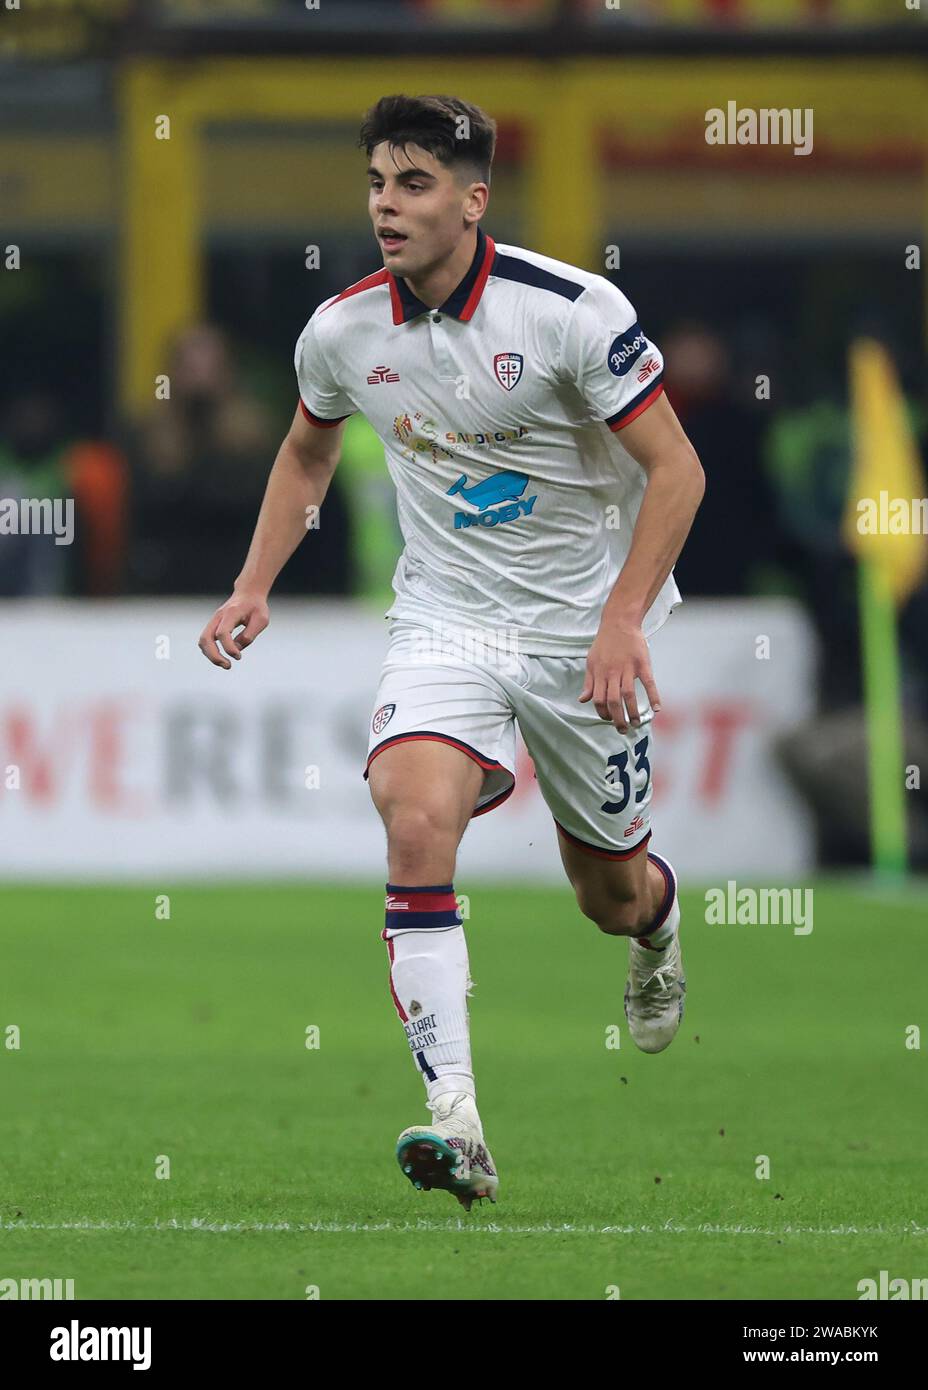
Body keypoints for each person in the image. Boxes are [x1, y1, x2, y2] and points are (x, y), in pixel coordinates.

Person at [197, 94, 705, 1210]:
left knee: (608, 892)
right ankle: (457, 1124)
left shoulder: (573, 311)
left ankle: (659, 934)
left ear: (474, 201)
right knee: (413, 814)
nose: (387, 203)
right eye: (378, 181)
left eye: (414, 183)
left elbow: (678, 470)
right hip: (446, 621)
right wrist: (252, 583)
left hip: (583, 627)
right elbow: (302, 454)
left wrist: (622, 618)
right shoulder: (341, 331)